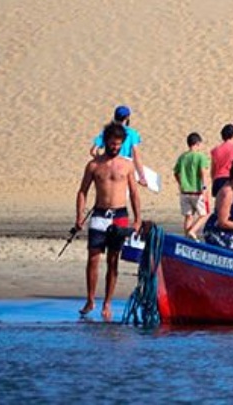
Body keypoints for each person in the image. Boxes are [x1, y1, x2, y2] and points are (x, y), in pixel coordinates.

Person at [75, 123, 143, 320]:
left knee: (113, 261)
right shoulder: (94, 165)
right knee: (93, 259)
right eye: (112, 144)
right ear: (105, 142)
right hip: (99, 215)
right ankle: (90, 299)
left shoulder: (127, 164)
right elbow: (82, 192)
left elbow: (135, 193)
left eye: (119, 144)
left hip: (120, 216)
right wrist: (79, 216)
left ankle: (107, 302)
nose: (115, 147)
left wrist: (137, 219)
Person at [89, 105, 145, 186]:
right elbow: (136, 155)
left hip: (109, 166)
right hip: (125, 167)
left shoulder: (107, 132)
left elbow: (93, 151)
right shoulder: (132, 133)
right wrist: (142, 177)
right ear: (127, 118)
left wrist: (102, 160)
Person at [174, 132, 211, 240]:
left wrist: (181, 183)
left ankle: (187, 238)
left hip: (185, 191)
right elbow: (203, 173)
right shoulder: (200, 157)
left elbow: (176, 173)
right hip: (196, 191)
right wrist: (204, 188)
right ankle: (192, 231)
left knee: (188, 216)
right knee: (204, 214)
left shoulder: (182, 157)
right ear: (197, 143)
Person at [209, 124, 233, 197]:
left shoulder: (215, 150)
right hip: (231, 179)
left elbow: (213, 170)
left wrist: (213, 180)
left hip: (218, 179)